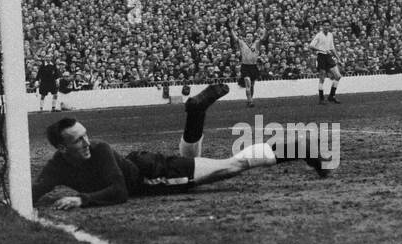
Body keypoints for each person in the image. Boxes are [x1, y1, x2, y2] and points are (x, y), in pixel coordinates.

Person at [32, 83, 329, 210]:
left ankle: (301, 147)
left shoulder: (99, 149)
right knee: (194, 161)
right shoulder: (57, 166)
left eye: (85, 135)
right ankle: (196, 113)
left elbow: (119, 192)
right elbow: (36, 189)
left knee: (232, 165)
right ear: (61, 148)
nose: (86, 142)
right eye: (78, 140)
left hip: (153, 175)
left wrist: (82, 200)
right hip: (147, 164)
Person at [229, 22, 268, 107]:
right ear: (245, 37)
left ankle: (250, 99)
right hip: (245, 66)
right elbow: (235, 37)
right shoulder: (242, 43)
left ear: (252, 37)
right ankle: (250, 101)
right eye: (247, 36)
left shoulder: (256, 43)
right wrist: (231, 29)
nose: (249, 38)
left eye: (250, 36)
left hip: (253, 66)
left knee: (252, 85)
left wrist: (266, 30)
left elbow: (263, 38)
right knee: (248, 82)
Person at [308, 20, 342, 104]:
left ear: (330, 26)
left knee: (338, 76)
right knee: (322, 78)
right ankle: (321, 99)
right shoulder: (319, 35)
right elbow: (311, 45)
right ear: (322, 26)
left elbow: (332, 48)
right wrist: (320, 49)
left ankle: (332, 96)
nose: (326, 27)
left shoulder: (330, 35)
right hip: (321, 57)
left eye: (328, 25)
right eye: (325, 25)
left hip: (328, 57)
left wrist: (338, 58)